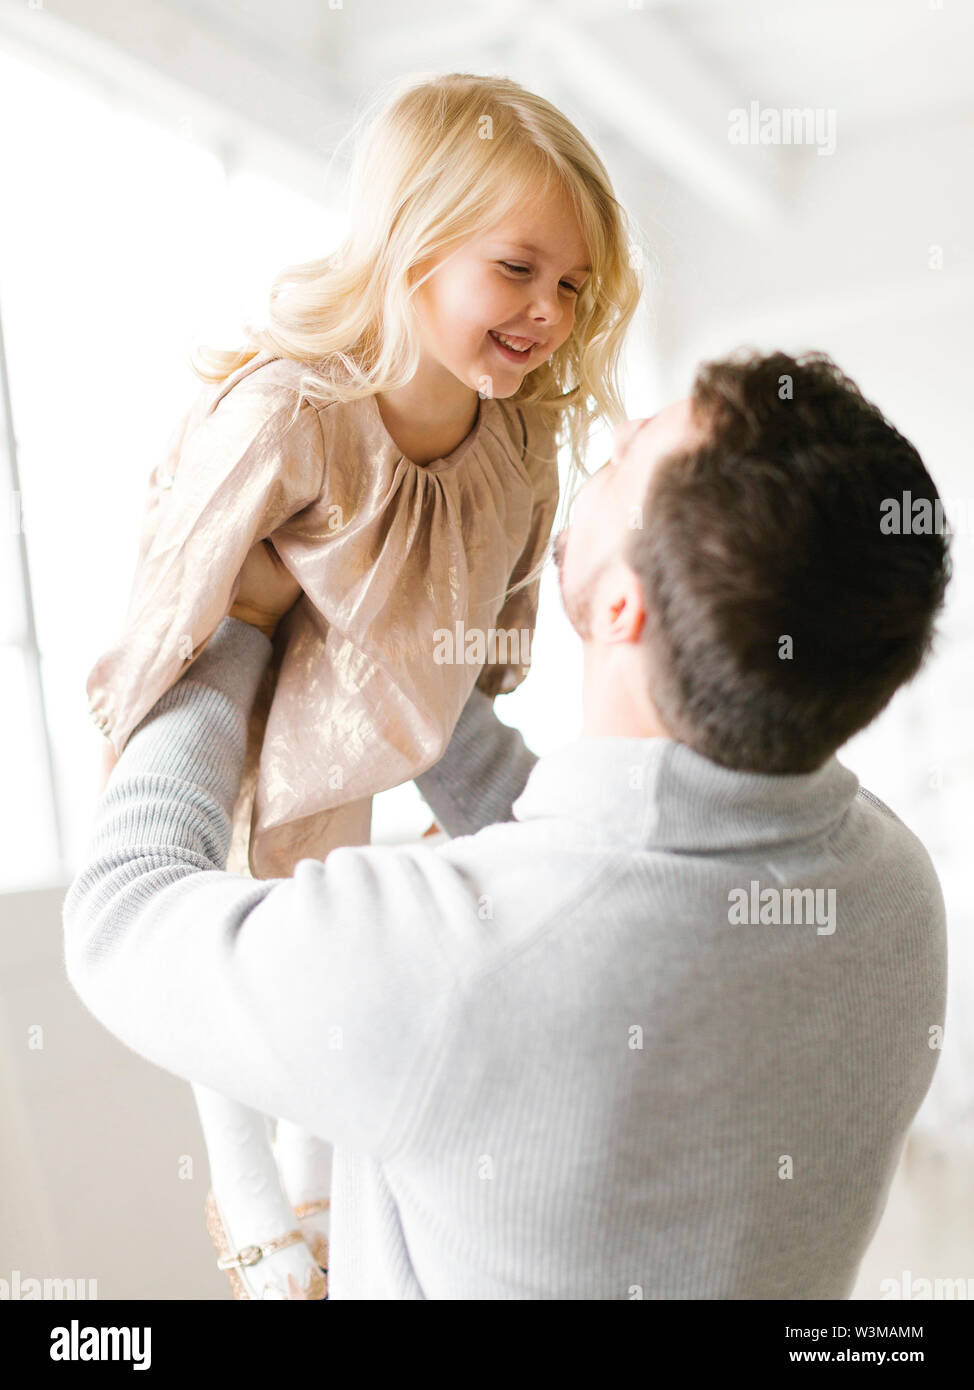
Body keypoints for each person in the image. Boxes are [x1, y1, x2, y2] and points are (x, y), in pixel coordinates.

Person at [64, 348, 951, 1300]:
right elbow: (614, 857)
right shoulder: (895, 891)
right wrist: (403, 646)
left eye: (633, 451)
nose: (610, 434)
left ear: (622, 606)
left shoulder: (456, 966)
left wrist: (235, 622)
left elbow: (123, 915)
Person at [82, 72, 641, 1297]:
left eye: (573, 288)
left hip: (370, 726)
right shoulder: (293, 413)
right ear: (414, 244)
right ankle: (246, 1191)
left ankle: (319, 1179)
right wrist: (160, 724)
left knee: (328, 925)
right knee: (229, 932)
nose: (548, 311)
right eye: (517, 270)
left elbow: (496, 612)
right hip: (238, 714)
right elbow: (187, 589)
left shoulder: (517, 444)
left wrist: (474, 740)